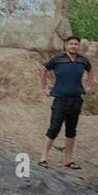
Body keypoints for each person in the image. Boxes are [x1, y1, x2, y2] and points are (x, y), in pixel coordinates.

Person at [39, 36, 93, 170]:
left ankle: (68, 160)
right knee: (54, 129)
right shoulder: (58, 60)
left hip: (76, 100)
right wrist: (44, 87)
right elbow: (44, 69)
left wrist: (89, 86)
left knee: (71, 131)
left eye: (76, 44)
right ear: (66, 45)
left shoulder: (83, 60)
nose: (73, 46)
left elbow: (90, 70)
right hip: (60, 99)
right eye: (71, 44)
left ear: (79, 46)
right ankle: (43, 158)